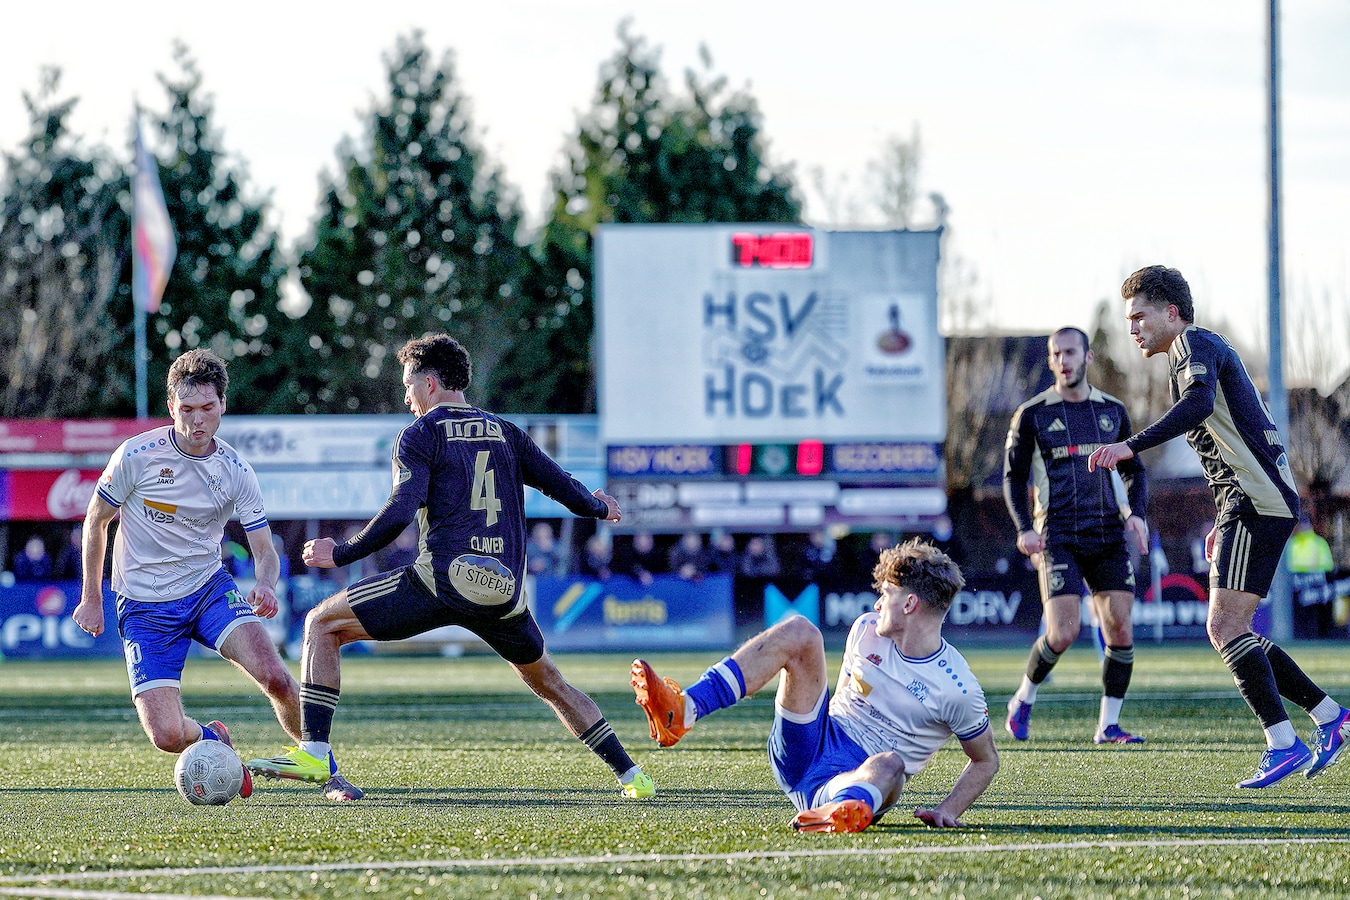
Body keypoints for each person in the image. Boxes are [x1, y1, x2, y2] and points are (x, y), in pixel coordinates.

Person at [245, 334, 654, 802]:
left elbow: (400, 511)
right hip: (502, 590)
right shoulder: (506, 431)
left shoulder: (421, 434)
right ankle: (632, 776)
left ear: (432, 383)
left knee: (321, 624)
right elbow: (561, 486)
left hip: (440, 581)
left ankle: (314, 751)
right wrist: (599, 509)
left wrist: (341, 553)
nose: (406, 397)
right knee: (552, 684)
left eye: (409, 385)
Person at [1089, 265, 1350, 788]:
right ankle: (1330, 718)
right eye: (1129, 320)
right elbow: (1223, 441)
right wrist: (1219, 513)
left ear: (1172, 311)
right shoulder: (1196, 351)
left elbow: (1199, 406)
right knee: (1237, 631)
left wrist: (1129, 445)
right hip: (1253, 501)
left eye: (1140, 317)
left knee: (1223, 628)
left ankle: (1283, 743)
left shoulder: (1191, 343)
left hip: (1257, 502)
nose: (1134, 328)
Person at [631, 538, 998, 833]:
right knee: (801, 632)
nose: (877, 601)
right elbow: (808, 680)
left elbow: (985, 759)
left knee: (890, 765)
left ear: (910, 603)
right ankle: (684, 710)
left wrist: (947, 809)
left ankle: (834, 814)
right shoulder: (867, 629)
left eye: (886, 593)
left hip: (852, 779)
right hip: (807, 743)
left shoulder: (958, 688)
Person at [72, 348, 302, 799]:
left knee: (275, 676)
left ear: (222, 406)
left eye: (208, 409)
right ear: (172, 407)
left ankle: (319, 759)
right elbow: (96, 520)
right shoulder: (135, 455)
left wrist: (266, 583)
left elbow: (264, 547)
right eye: (187, 409)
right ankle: (213, 737)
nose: (198, 421)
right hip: (142, 604)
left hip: (207, 590)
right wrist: (92, 597)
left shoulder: (236, 471)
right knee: (167, 737)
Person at [1002, 326, 1150, 745]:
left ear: (1087, 357)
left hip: (1107, 533)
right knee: (1062, 631)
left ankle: (1108, 726)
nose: (1063, 360)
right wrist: (1024, 530)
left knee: (1120, 627)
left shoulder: (1113, 411)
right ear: (1050, 361)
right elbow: (1012, 478)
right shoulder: (1031, 414)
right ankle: (1023, 699)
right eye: (1056, 354)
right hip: (1058, 535)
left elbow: (1134, 470)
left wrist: (1136, 515)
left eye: (1070, 352)